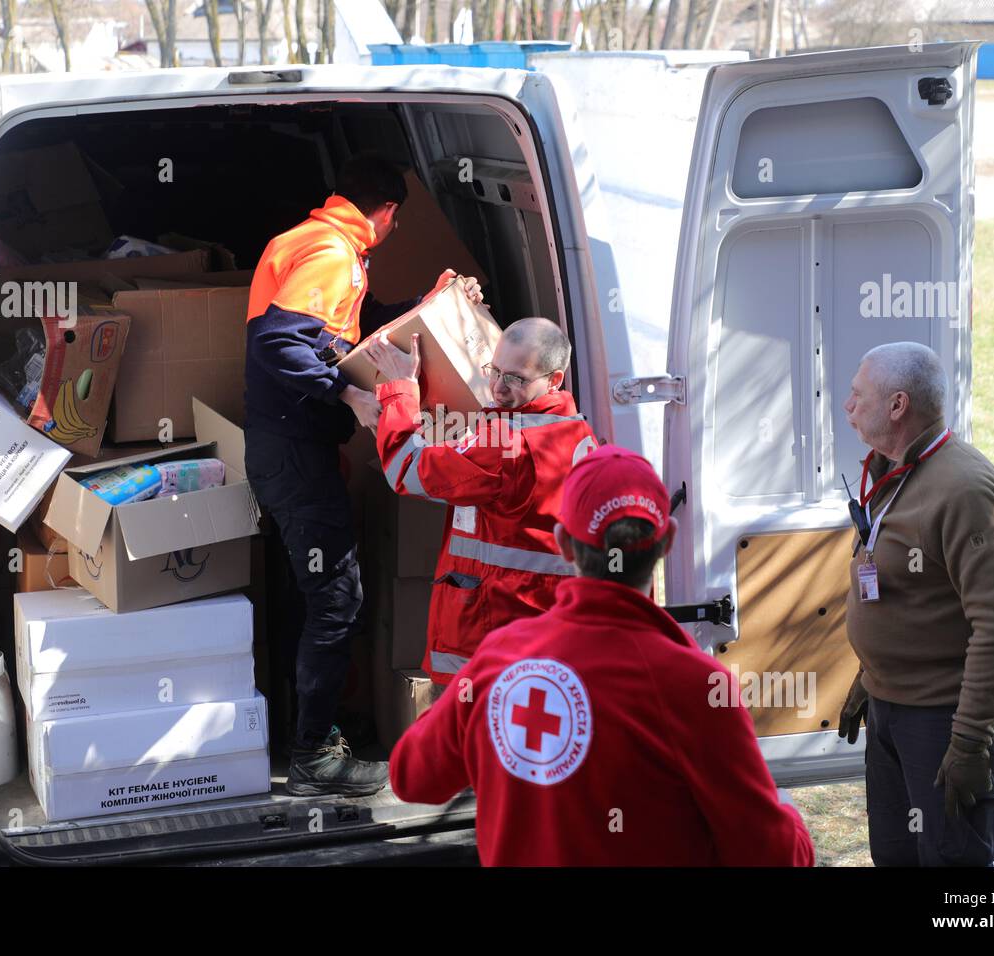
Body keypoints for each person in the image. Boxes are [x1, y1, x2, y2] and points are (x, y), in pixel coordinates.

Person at [388, 444, 816, 866]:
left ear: (564, 544)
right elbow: (777, 855)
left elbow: (412, 778)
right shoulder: (697, 686)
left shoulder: (500, 657)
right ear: (667, 538)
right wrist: (783, 805)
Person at [243, 153, 482, 796]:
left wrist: (425, 306)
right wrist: (348, 397)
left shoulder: (313, 239)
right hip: (294, 455)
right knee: (337, 599)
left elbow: (351, 326)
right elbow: (280, 343)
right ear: (388, 212)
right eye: (397, 221)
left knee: (314, 593)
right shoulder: (331, 251)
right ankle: (314, 757)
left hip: (289, 451)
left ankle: (310, 728)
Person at [839, 341, 994, 867]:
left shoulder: (966, 491)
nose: (848, 406)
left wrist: (968, 743)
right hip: (891, 709)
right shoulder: (888, 469)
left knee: (951, 869)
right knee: (896, 855)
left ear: (898, 406)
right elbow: (911, 593)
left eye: (858, 395)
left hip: (945, 720)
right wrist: (871, 675)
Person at [364, 317, 597, 697]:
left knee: (467, 751)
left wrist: (399, 389)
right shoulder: (573, 428)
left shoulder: (508, 447)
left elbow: (405, 469)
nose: (498, 387)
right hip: (541, 637)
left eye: (516, 378)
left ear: (554, 381)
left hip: (489, 640)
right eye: (495, 370)